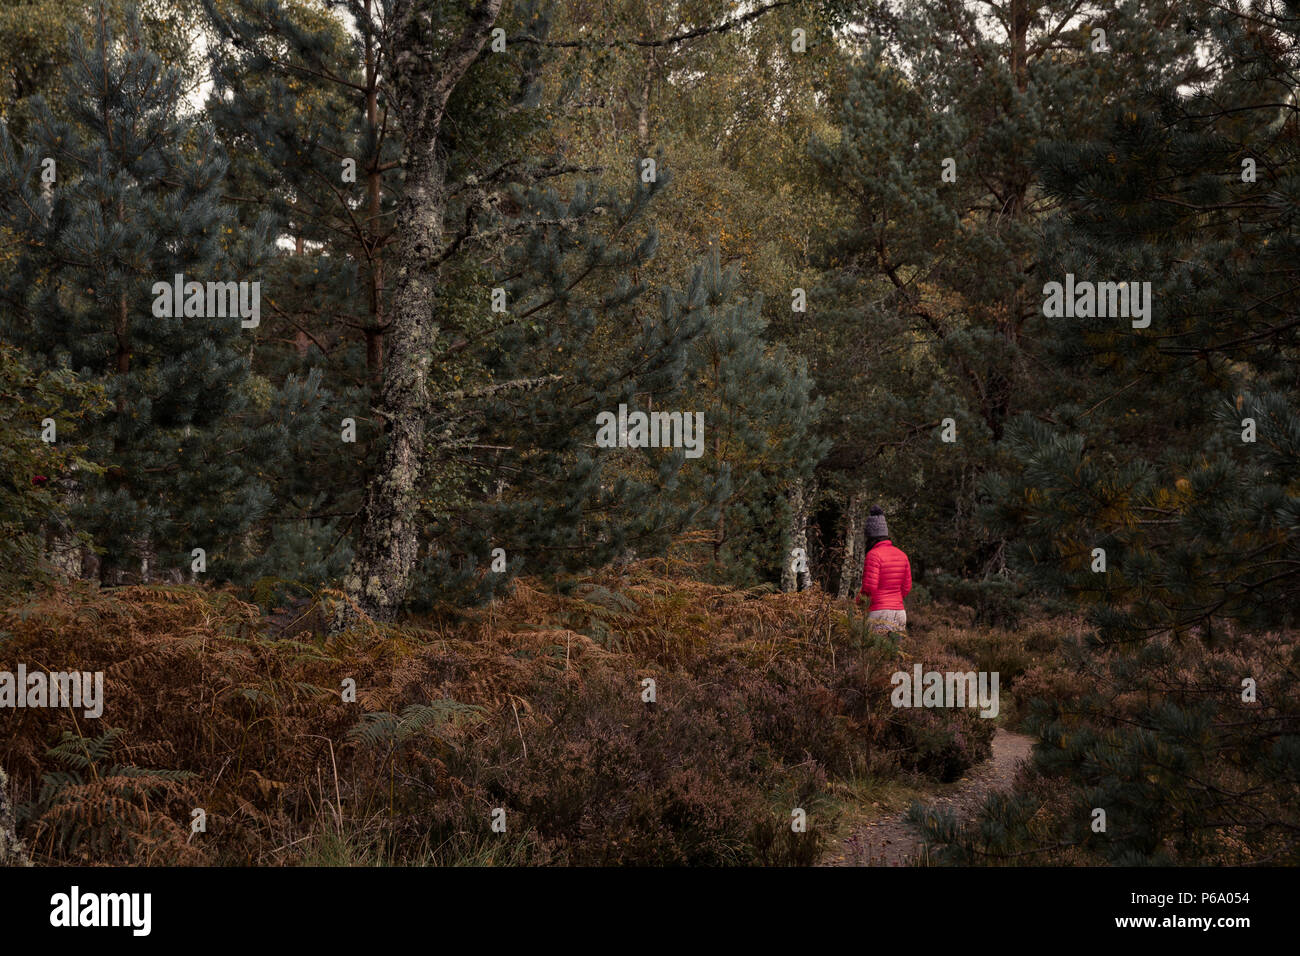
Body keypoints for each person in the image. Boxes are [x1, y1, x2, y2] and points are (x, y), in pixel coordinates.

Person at [854, 505, 912, 634]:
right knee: (893, 653)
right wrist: (893, 600)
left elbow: (869, 588)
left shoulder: (873, 555)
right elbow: (906, 587)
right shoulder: (902, 555)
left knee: (874, 653)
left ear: (870, 537)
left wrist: (857, 603)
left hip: (879, 613)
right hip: (900, 613)